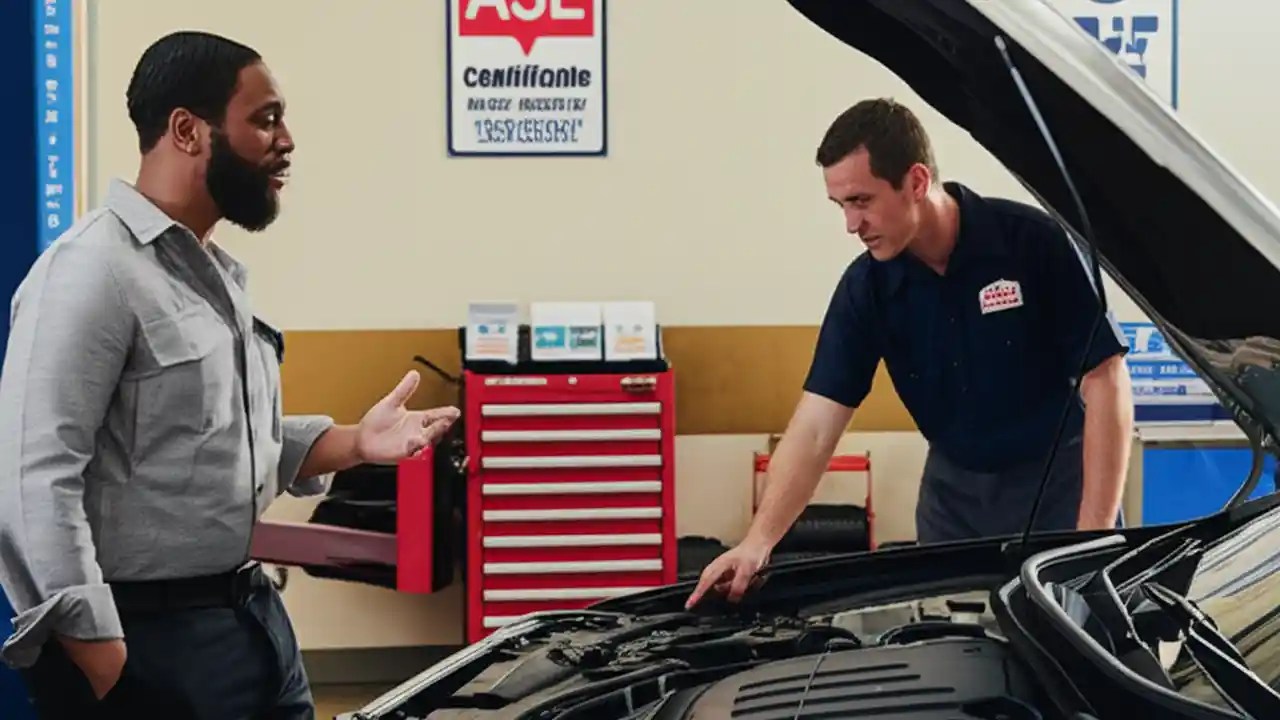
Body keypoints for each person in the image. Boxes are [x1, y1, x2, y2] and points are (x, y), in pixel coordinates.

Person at [0, 31, 460, 718]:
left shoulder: (210, 275)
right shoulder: (90, 272)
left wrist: (356, 441)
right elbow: (32, 475)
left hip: (251, 624)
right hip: (148, 641)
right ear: (188, 130)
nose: (287, 141)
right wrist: (97, 650)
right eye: (265, 118)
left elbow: (214, 442)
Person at [687, 98, 1134, 609]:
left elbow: (1106, 382)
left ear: (916, 182)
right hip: (953, 498)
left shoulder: (1034, 243)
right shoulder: (866, 289)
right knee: (960, 655)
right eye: (841, 207)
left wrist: (1090, 534)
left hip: (1059, 485)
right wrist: (758, 541)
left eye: (862, 201)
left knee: (1074, 648)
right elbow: (815, 426)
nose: (851, 225)